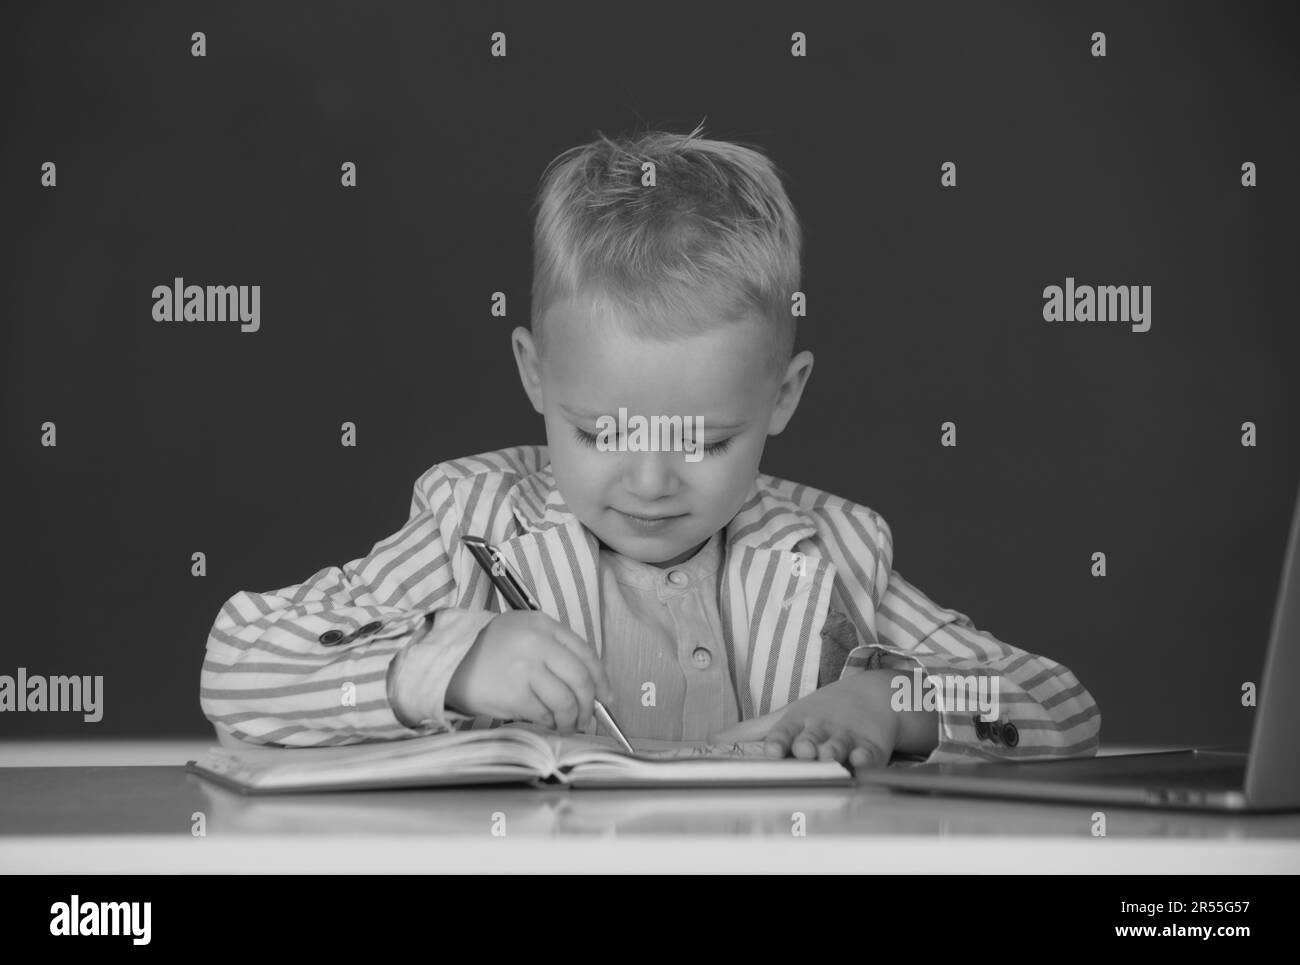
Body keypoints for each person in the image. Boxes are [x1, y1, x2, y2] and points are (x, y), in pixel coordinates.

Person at [200, 125, 1100, 769]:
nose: (650, 478)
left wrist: (896, 702)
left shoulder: (833, 554)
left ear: (781, 396)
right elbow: (239, 668)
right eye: (599, 432)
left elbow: (1056, 703)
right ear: (534, 376)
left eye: (704, 439)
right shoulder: (469, 527)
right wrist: (449, 664)